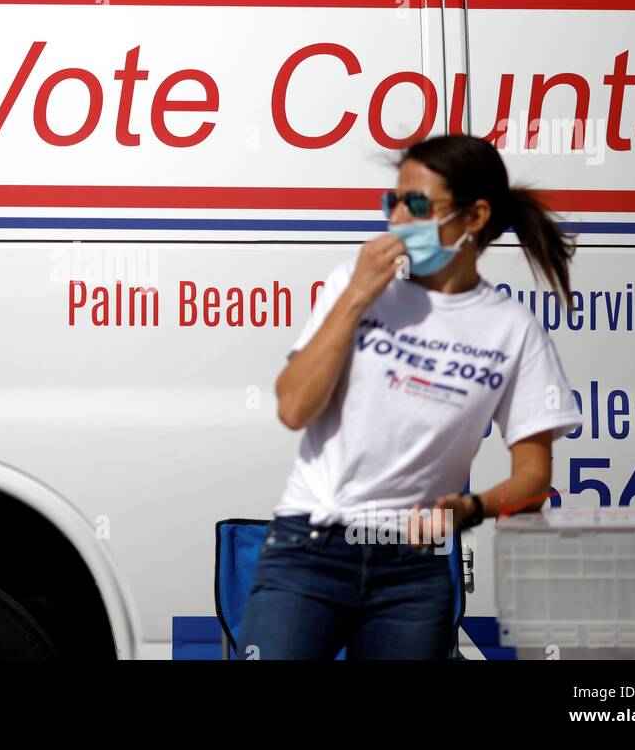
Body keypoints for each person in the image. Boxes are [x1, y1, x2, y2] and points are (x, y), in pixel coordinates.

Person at [237, 133, 584, 660]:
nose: (397, 216)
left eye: (416, 204)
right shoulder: (355, 287)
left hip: (413, 571)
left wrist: (470, 507)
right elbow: (293, 408)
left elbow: (533, 476)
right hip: (312, 547)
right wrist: (357, 295)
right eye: (391, 201)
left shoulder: (512, 330)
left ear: (473, 218)